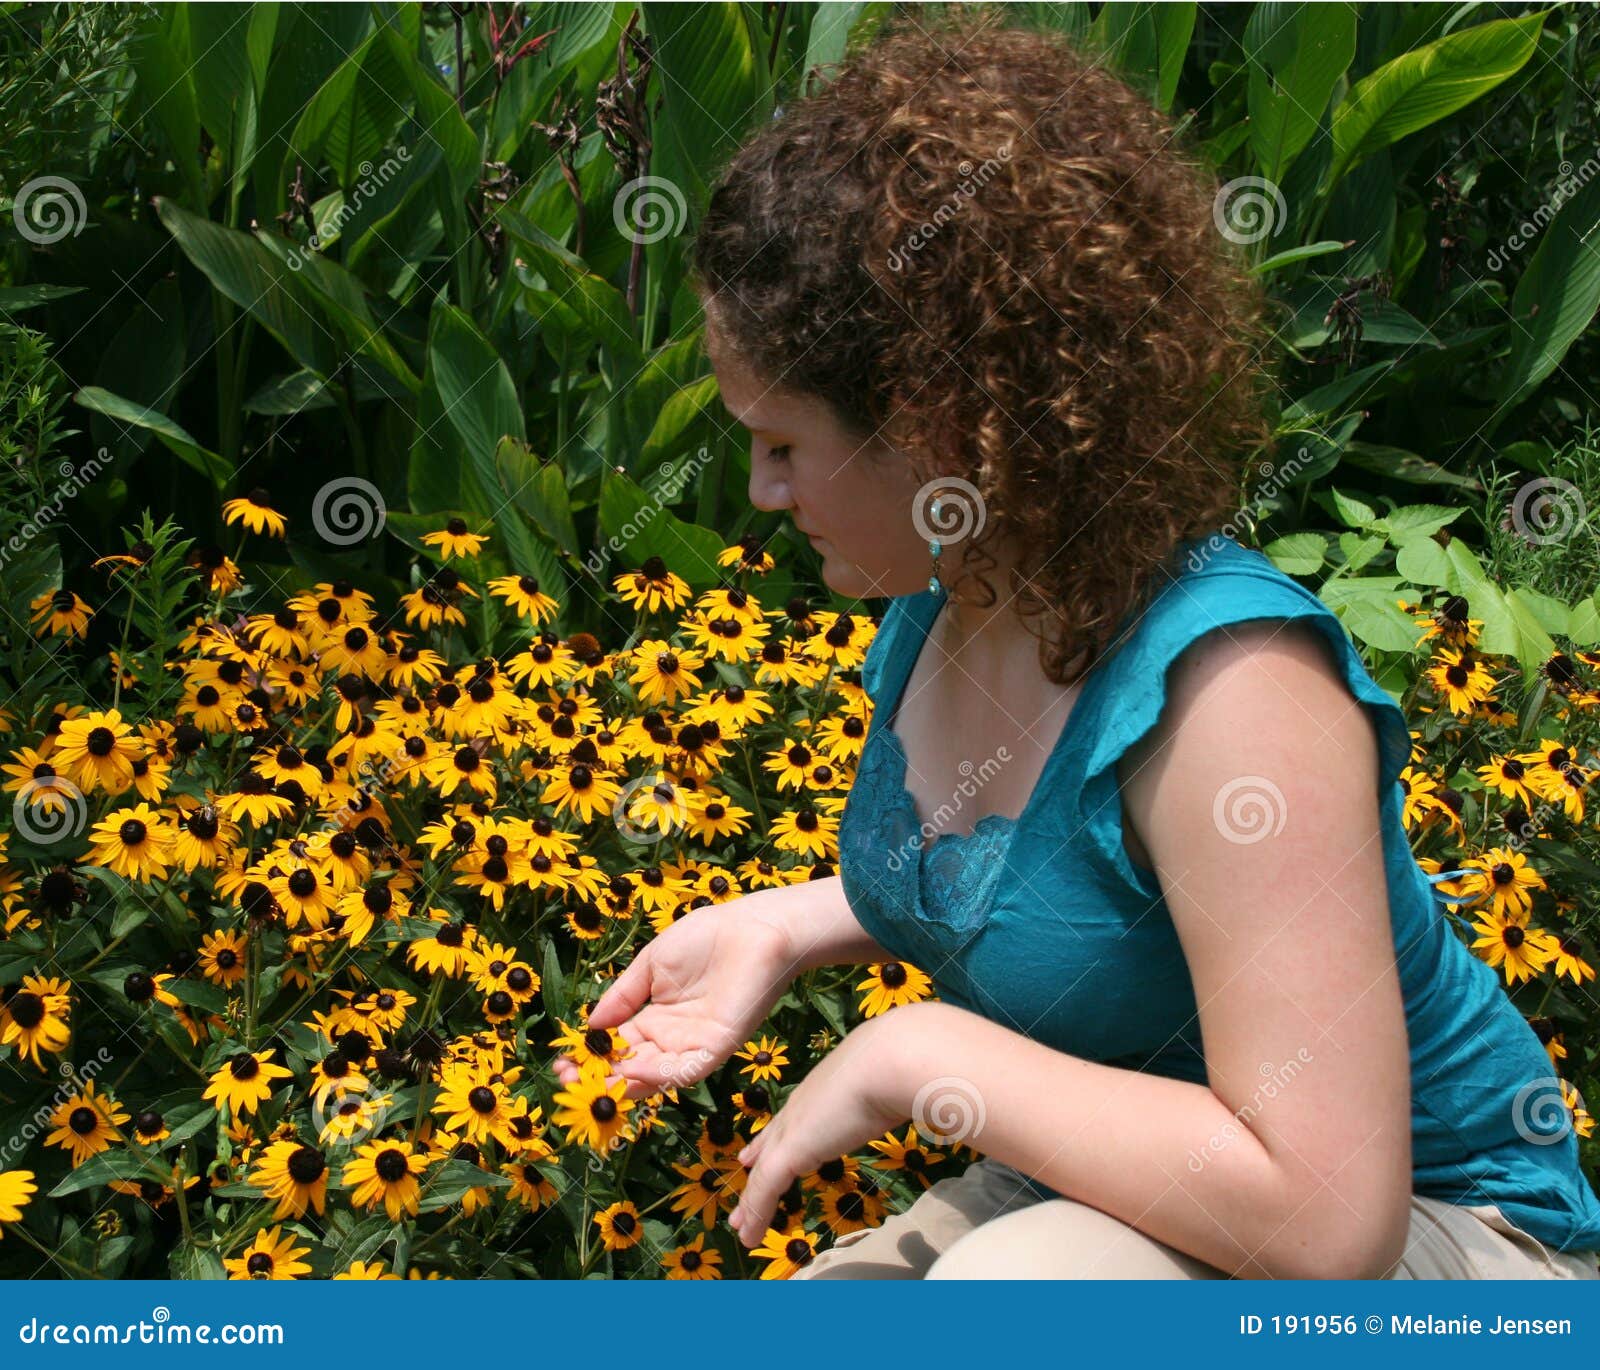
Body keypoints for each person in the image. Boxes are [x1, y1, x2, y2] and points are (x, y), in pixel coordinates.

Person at [557, 10, 1600, 1279]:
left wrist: (917, 1052)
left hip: (1441, 1240)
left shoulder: (1231, 697)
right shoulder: (949, 600)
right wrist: (788, 922)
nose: (763, 492)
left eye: (781, 444)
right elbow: (1076, 884)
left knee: (1023, 1292)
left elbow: (1331, 1223)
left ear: (946, 431)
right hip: (1118, 1188)